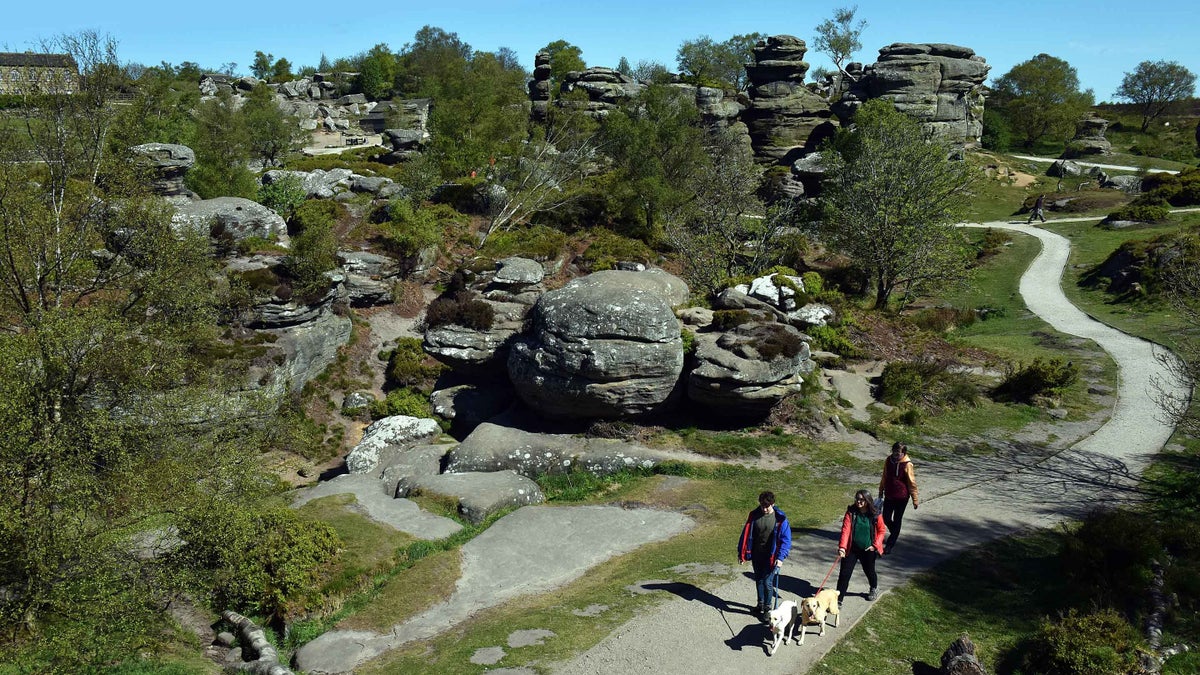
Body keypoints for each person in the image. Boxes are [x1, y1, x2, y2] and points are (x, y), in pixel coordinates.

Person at [737, 491, 792, 619]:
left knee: (767, 582)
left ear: (773, 504)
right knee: (759, 580)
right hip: (757, 555)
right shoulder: (754, 516)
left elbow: (786, 540)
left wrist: (780, 557)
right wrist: (742, 553)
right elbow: (745, 535)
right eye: (762, 506)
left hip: (772, 557)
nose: (765, 509)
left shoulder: (780, 519)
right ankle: (760, 604)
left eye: (767, 506)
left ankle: (768, 608)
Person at [836, 489, 885, 605]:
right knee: (844, 574)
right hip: (851, 549)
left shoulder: (875, 514)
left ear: (868, 501)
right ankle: (838, 599)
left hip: (868, 550)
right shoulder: (851, 512)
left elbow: (882, 530)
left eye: (862, 500)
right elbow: (845, 530)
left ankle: (874, 587)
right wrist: (842, 547)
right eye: (857, 499)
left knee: (869, 571)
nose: (859, 502)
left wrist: (875, 545)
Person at [878, 441, 919, 554]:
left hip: (902, 496)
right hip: (889, 494)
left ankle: (890, 544)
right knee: (885, 517)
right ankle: (895, 532)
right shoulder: (889, 460)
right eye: (894, 451)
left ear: (904, 453)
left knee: (897, 519)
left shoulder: (907, 464)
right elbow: (884, 476)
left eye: (898, 452)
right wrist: (881, 490)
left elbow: (912, 482)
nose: (895, 454)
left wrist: (915, 499)